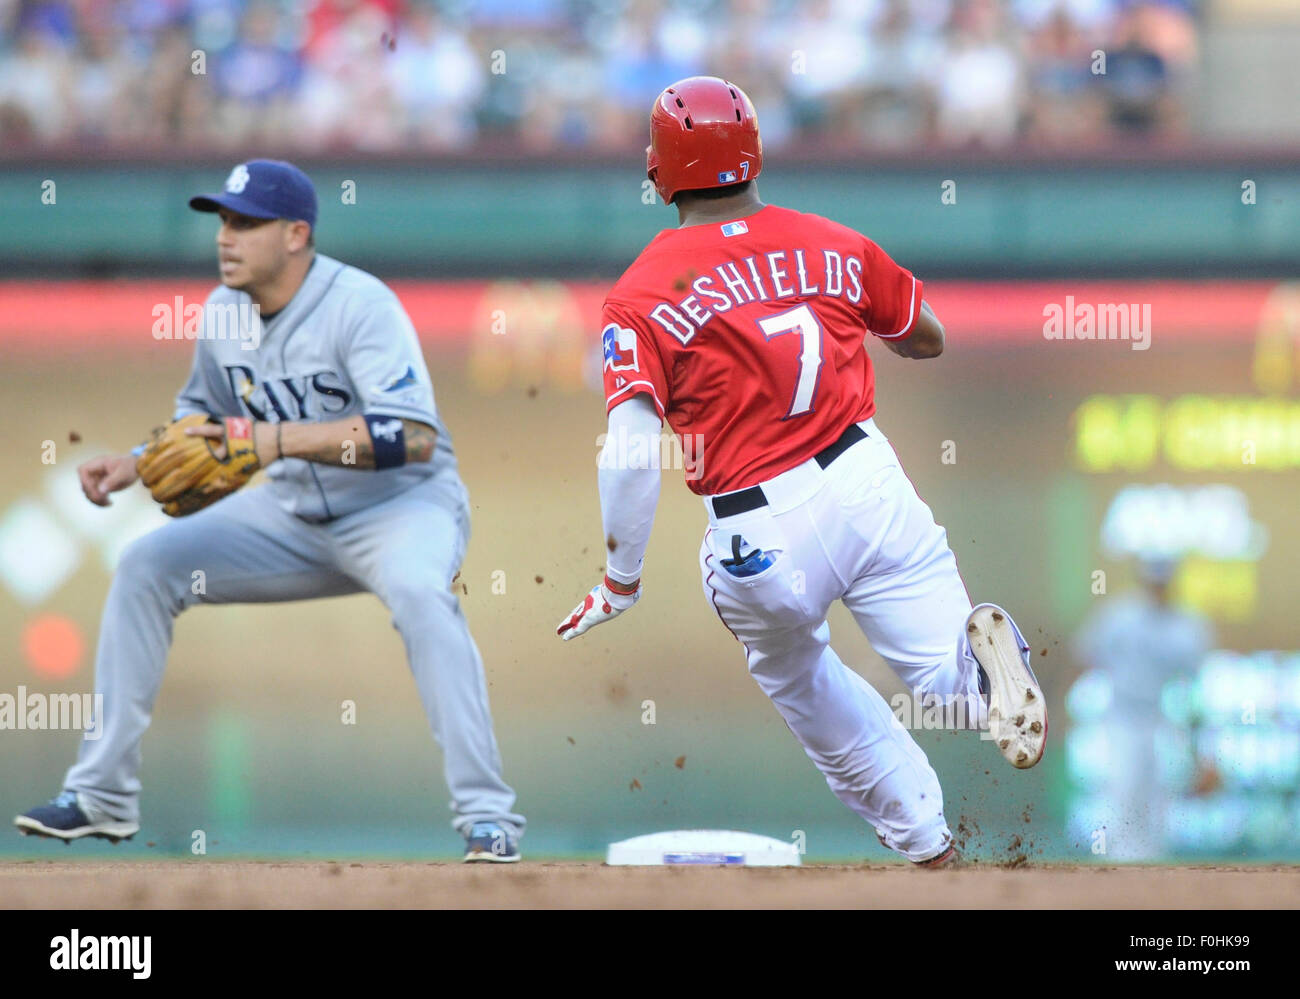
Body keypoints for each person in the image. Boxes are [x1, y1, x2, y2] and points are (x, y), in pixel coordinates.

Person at [556, 77, 1045, 867]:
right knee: (946, 682)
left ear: (658, 172)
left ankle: (924, 837)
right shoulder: (832, 240)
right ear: (753, 156)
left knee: (803, 678)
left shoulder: (639, 293)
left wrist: (621, 577)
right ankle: (983, 680)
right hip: (865, 478)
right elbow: (926, 335)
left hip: (757, 527)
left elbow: (631, 448)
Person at [14, 159, 524, 862]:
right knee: (144, 566)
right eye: (222, 220)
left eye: (245, 223)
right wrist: (136, 459)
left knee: (420, 594)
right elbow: (202, 418)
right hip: (290, 515)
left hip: (400, 508)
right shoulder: (221, 313)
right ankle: (100, 797)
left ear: (296, 234)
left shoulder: (361, 305)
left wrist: (274, 440)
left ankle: (488, 818)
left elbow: (412, 436)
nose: (225, 237)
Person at [1071, 555, 1213, 859]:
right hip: (1121, 716)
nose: (1158, 586)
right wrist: (1062, 708)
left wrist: (1200, 747)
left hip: (1159, 717)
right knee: (1124, 786)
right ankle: (1119, 862)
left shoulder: (1185, 626)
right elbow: (1083, 658)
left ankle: (1152, 865)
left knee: (1158, 795)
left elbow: (1192, 690)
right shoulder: (1118, 616)